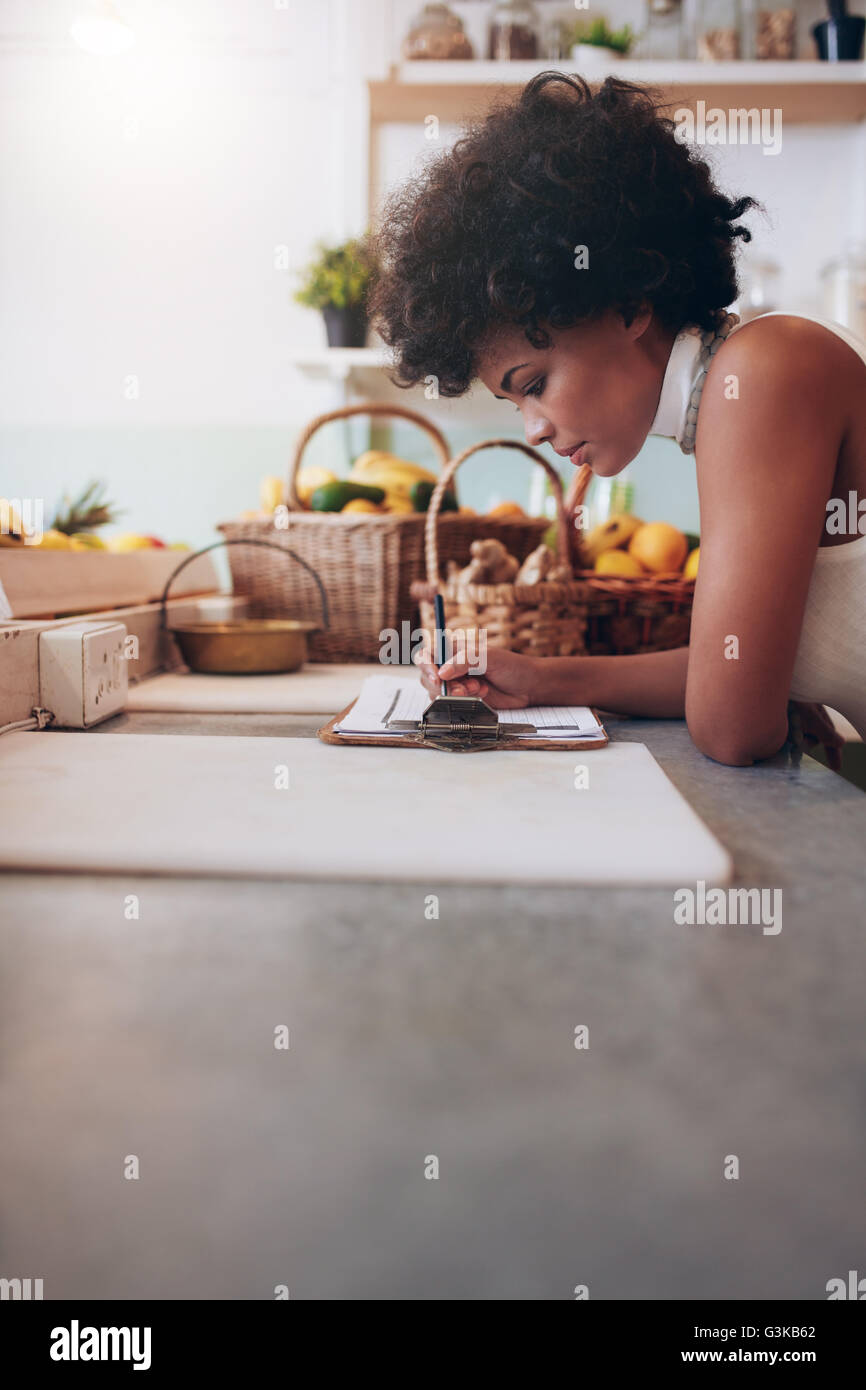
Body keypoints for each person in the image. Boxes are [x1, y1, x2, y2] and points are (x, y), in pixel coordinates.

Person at [368, 72, 863, 768]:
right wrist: (541, 678)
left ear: (630, 306)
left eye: (534, 384)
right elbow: (737, 670)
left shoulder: (762, 376)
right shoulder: (740, 384)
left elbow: (731, 725)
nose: (533, 428)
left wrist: (769, 706)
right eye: (516, 403)